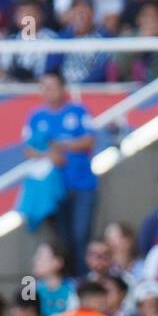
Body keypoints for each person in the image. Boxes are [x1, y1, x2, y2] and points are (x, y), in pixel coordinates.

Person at [22, 71, 98, 275]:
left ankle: (82, 279)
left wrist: (61, 145)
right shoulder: (36, 117)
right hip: (54, 189)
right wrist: (50, 155)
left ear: (63, 88)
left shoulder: (78, 111)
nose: (48, 92)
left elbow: (89, 140)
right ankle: (68, 280)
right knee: (62, 239)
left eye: (52, 87)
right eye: (44, 87)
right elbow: (28, 150)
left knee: (81, 235)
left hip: (82, 185)